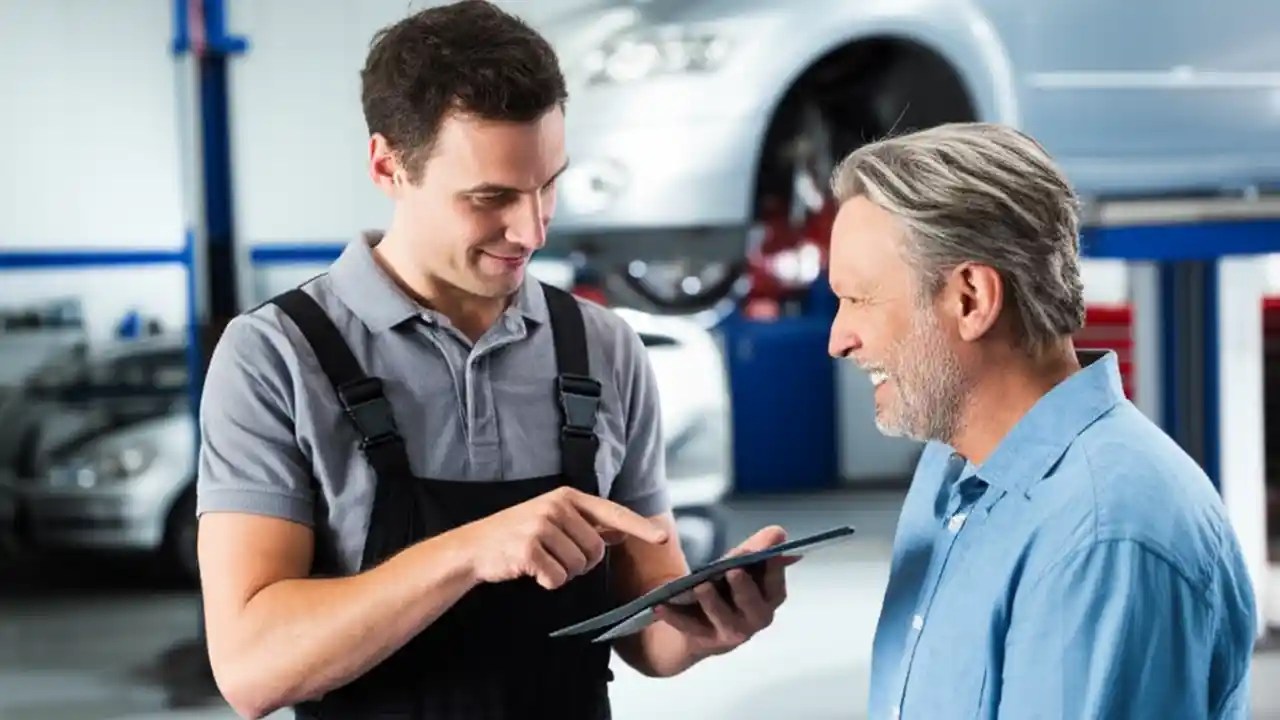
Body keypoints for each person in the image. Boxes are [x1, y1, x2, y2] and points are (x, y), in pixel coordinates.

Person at [194, 3, 792, 718]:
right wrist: (471, 551)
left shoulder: (603, 349)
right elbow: (252, 669)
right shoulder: (275, 357)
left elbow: (648, 637)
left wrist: (710, 626)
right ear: (388, 164)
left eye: (548, 184)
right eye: (491, 198)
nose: (532, 228)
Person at [824, 122, 1257, 718]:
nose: (838, 339)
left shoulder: (1105, 537)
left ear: (971, 298)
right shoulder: (949, 474)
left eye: (860, 299)